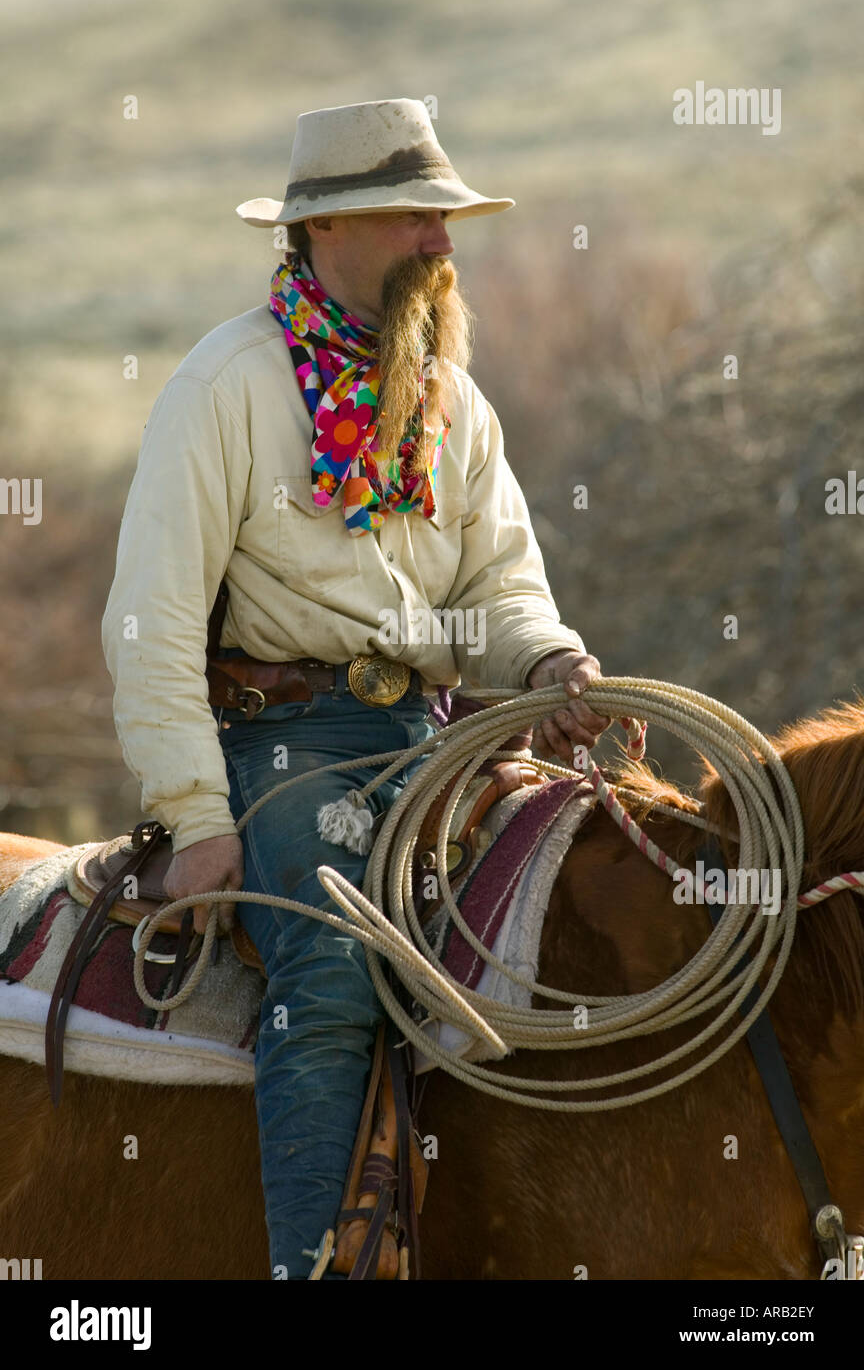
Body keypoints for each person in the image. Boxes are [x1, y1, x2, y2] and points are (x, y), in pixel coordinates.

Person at [102, 97, 611, 1279]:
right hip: (285, 743)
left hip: (428, 739)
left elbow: (502, 590)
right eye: (413, 218)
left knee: (586, 920)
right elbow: (152, 619)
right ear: (325, 230)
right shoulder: (224, 386)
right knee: (333, 969)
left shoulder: (454, 407)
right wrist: (197, 818)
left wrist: (548, 662)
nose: (442, 244)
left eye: (444, 219)